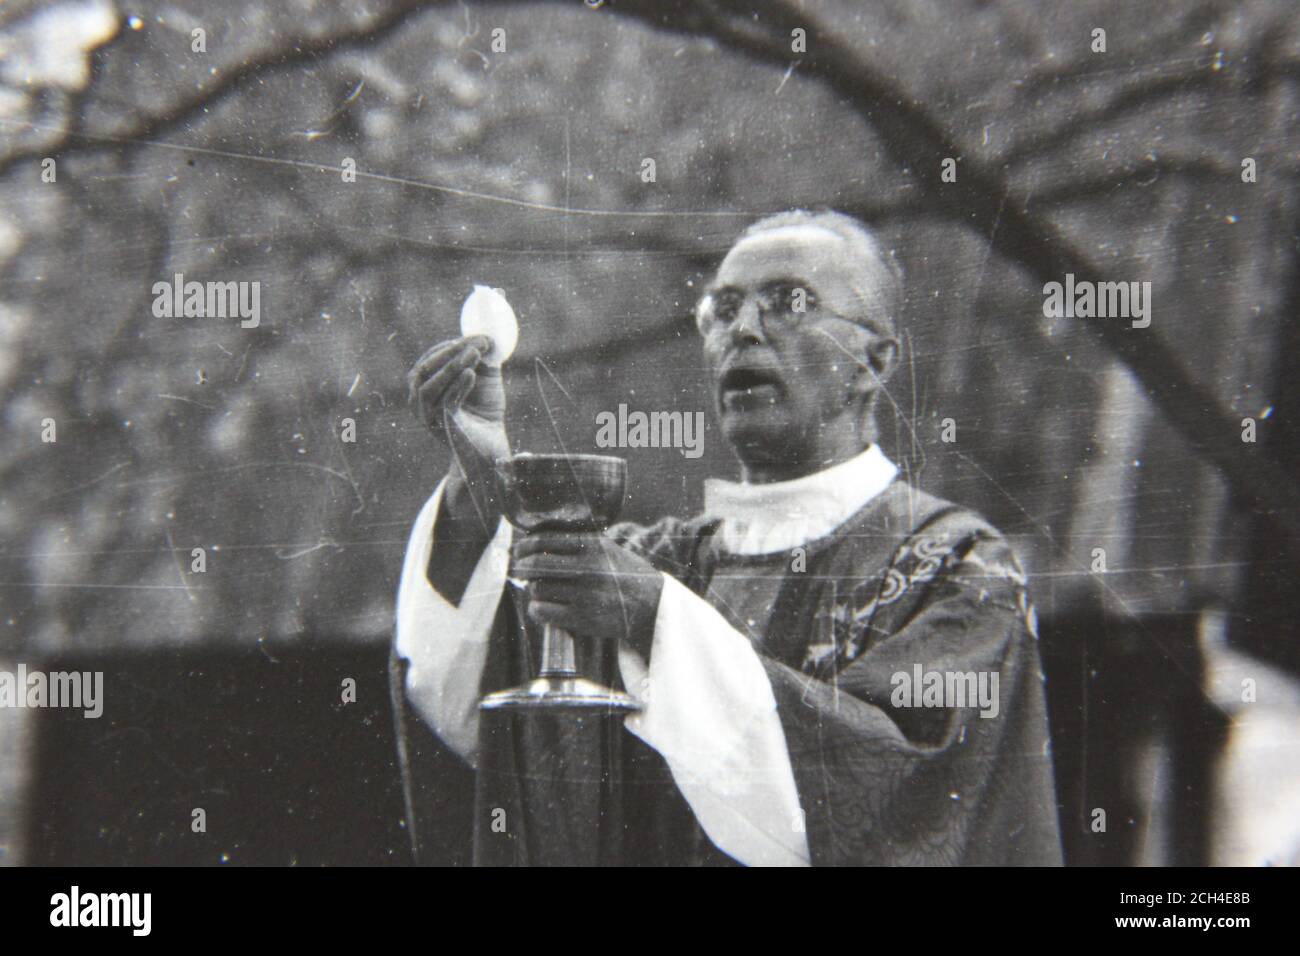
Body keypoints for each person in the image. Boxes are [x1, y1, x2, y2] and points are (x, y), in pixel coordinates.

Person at [392, 209, 1063, 866]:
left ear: (874, 361)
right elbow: (477, 719)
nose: (744, 329)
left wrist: (656, 618)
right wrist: (477, 487)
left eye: (788, 302)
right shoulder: (647, 561)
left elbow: (894, 805)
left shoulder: (959, 569)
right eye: (722, 309)